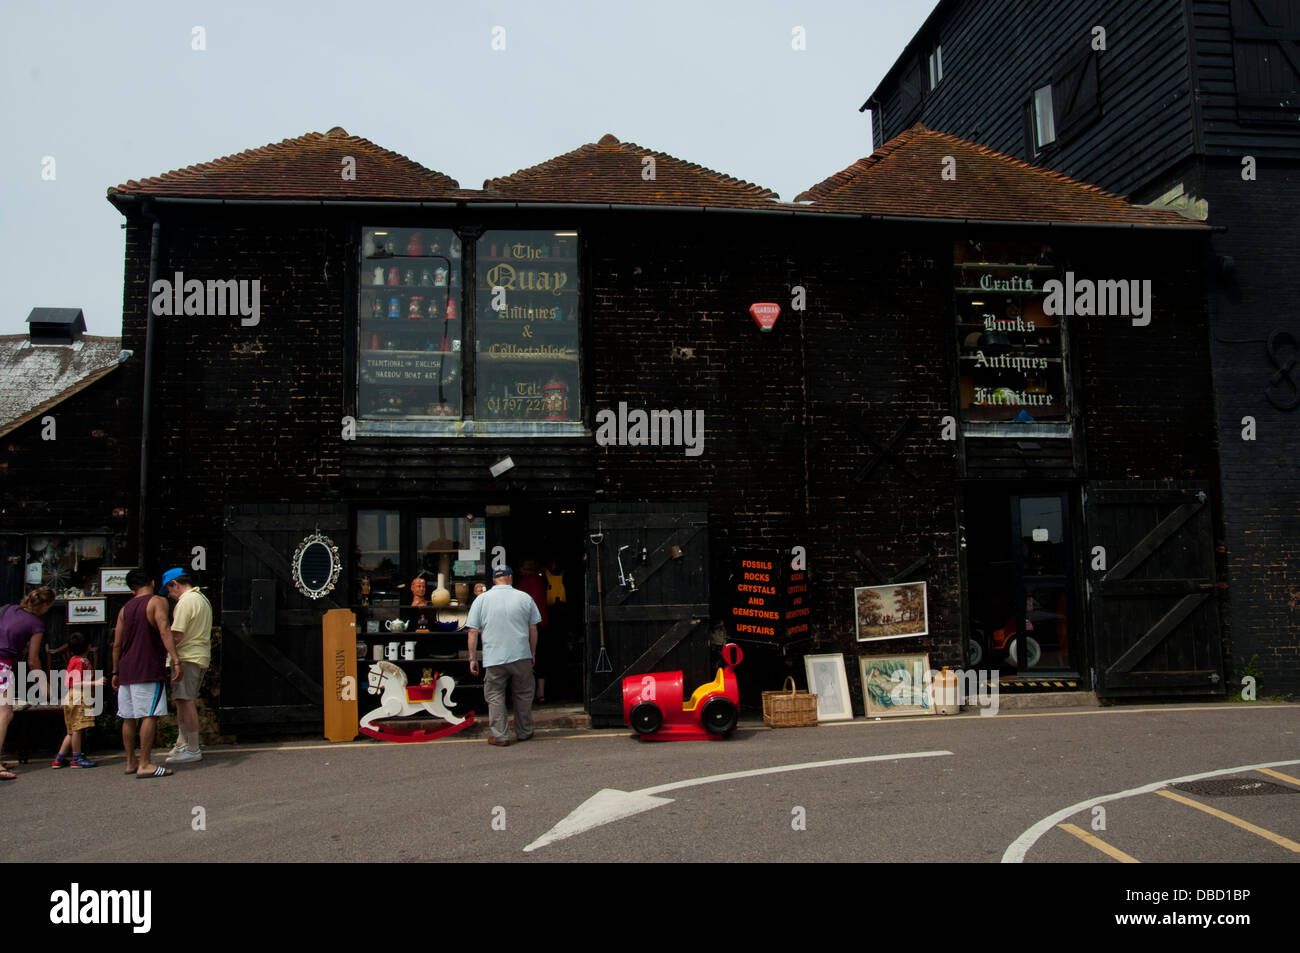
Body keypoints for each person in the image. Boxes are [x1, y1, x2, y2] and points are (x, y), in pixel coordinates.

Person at [113, 569, 181, 778]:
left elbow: (116, 644)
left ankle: (130, 762)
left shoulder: (125, 609)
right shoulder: (156, 602)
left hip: (125, 667)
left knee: (128, 717)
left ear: (131, 589)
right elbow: (164, 629)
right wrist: (175, 659)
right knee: (149, 715)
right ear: (151, 582)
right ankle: (146, 763)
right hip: (147, 666)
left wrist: (115, 670)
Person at [466, 567, 540, 747]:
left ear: (493, 580)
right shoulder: (525, 597)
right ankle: (524, 732)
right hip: (521, 655)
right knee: (523, 694)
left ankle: (501, 736)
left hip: (494, 657)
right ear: (509, 577)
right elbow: (533, 629)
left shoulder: (481, 600)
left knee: (495, 695)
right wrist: (532, 653)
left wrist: (472, 658)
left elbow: (473, 632)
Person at [0, 586, 55, 781]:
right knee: (5, 713)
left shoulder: (6, 609)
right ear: (46, 605)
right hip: (3, 666)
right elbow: (33, 660)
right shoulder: (35, 624)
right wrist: (45, 685)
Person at [160, 568, 212, 765]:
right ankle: (182, 742)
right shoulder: (200, 599)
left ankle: (192, 747)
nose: (169, 595)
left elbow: (177, 634)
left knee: (186, 701)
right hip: (197, 655)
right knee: (182, 701)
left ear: (175, 584)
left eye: (168, 589)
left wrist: (164, 647)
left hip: (187, 656)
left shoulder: (186, 601)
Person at [52, 631, 103, 768]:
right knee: (78, 729)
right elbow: (74, 682)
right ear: (88, 646)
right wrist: (95, 683)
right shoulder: (80, 662)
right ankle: (76, 758)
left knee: (72, 729)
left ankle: (60, 758)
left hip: (71, 697)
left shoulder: (74, 661)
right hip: (78, 697)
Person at [515, 560, 549, 703]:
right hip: (543, 622)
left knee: (523, 659)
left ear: (526, 569)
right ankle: (540, 692)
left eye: (521, 567)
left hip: (527, 625)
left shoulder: (524, 583)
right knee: (541, 659)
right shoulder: (541, 581)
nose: (519, 570)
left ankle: (522, 694)